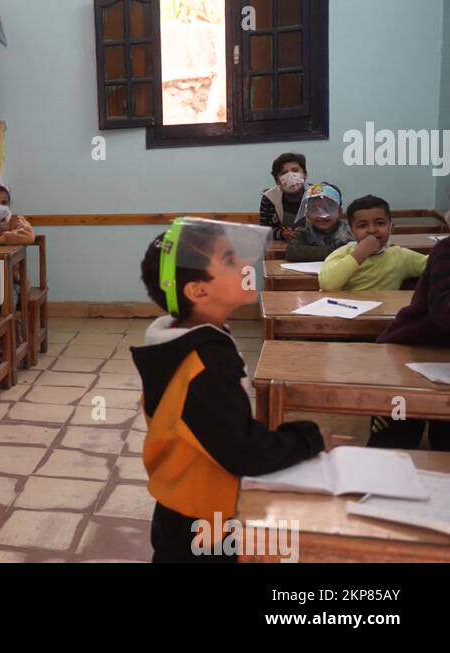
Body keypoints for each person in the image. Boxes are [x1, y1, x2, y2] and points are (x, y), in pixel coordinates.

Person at [133, 220, 328, 562]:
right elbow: (243, 451)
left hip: (182, 508)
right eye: (228, 260)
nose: (244, 266)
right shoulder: (205, 362)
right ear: (198, 291)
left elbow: (221, 430)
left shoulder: (184, 341)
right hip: (204, 525)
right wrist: (310, 438)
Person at [369, 236, 450, 451]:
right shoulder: (446, 250)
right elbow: (444, 310)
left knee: (444, 442)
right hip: (409, 350)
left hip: (443, 363)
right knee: (394, 437)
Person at [319, 195, 429, 291]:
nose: (372, 230)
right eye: (362, 225)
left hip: (383, 313)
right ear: (351, 232)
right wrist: (360, 253)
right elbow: (327, 284)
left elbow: (435, 265)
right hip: (346, 312)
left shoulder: (400, 256)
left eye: (380, 223)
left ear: (391, 228)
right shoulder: (342, 254)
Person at [284, 182, 354, 262]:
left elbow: (356, 250)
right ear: (307, 213)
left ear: (339, 211)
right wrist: (337, 252)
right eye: (315, 209)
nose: (322, 215)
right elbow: (292, 252)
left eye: (328, 208)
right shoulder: (304, 233)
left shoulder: (350, 233)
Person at [260, 152, 309, 242]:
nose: (291, 176)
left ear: (305, 175)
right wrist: (282, 234)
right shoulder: (269, 198)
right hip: (281, 247)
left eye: (295, 170)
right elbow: (264, 231)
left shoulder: (316, 194)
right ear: (277, 181)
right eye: (284, 173)